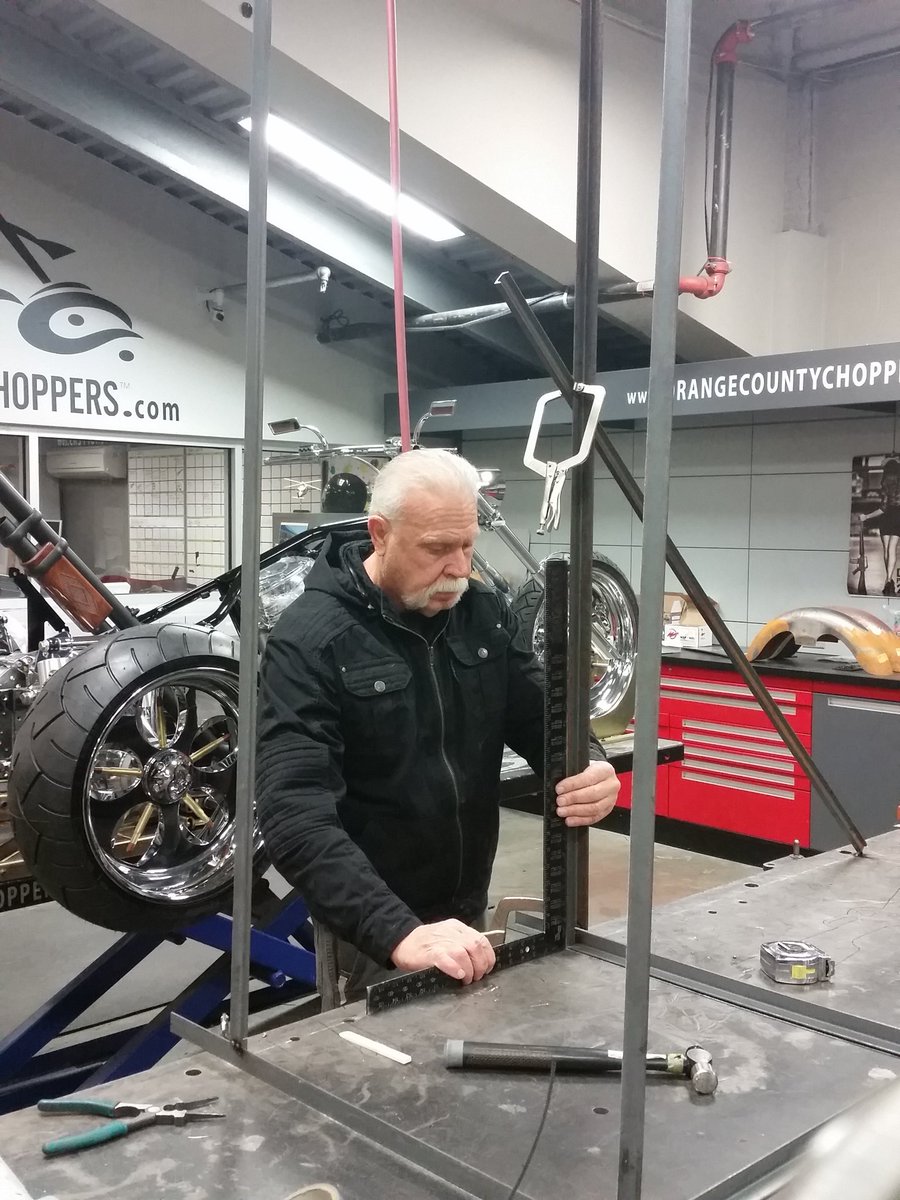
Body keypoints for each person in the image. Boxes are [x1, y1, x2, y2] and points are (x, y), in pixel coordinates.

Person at [256, 448, 620, 1005]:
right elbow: (293, 814)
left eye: (469, 546)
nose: (459, 569)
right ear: (380, 534)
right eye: (437, 549)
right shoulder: (310, 641)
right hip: (376, 927)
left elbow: (538, 711)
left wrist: (587, 761)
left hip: (466, 899)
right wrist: (397, 932)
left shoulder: (480, 611)